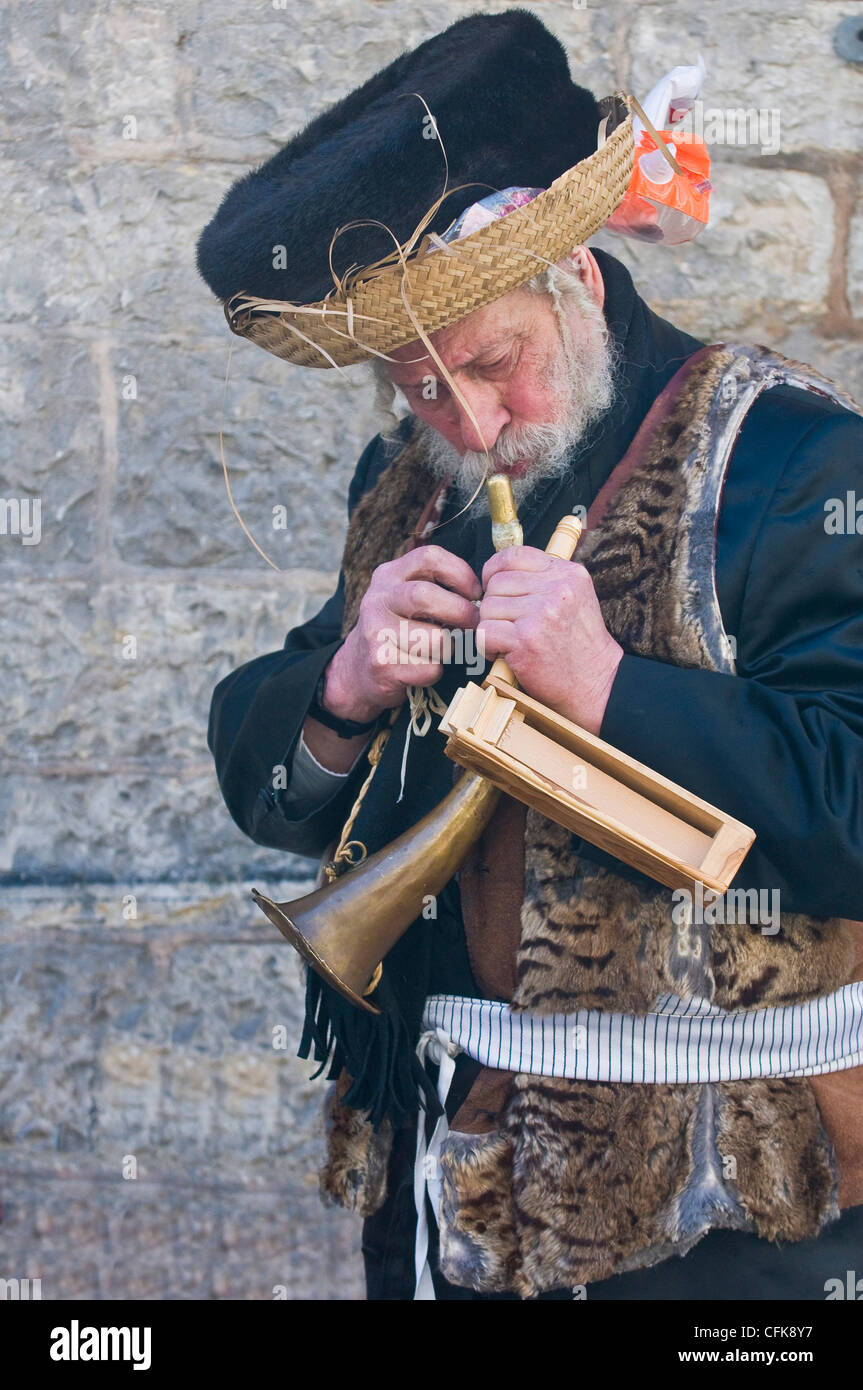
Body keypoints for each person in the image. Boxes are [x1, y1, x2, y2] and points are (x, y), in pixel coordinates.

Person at [199, 11, 863, 1300]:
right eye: (421, 387)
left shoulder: (799, 463)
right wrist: (344, 688)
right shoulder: (409, 486)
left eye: (495, 367)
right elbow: (266, 778)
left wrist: (612, 692)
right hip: (457, 1191)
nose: (471, 422)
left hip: (735, 1233)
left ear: (580, 282)